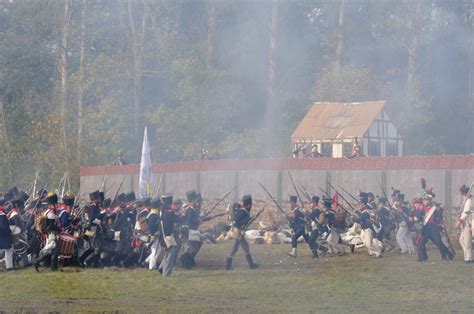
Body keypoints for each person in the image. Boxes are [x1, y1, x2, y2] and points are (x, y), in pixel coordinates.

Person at [414, 192, 454, 262]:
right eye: (423, 200)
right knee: (421, 242)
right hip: (425, 228)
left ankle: (447, 255)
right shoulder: (421, 208)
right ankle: (423, 258)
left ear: (429, 201)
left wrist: (438, 209)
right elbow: (418, 216)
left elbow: (440, 214)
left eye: (426, 200)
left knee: (439, 243)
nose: (424, 201)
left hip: (433, 228)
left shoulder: (434, 207)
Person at [225, 195, 259, 270]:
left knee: (245, 247)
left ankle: (251, 264)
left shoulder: (243, 210)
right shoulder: (242, 211)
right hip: (237, 232)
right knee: (234, 248)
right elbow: (238, 220)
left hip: (240, 232)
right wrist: (248, 220)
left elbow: (244, 220)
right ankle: (228, 265)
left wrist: (251, 218)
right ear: (248, 204)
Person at [180, 190, 202, 269]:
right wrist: (198, 220)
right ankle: (184, 260)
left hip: (192, 231)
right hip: (189, 231)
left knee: (197, 245)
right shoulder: (190, 210)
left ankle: (189, 261)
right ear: (192, 201)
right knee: (194, 248)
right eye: (195, 200)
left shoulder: (192, 209)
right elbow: (189, 221)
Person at [456, 184, 472, 263]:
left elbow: (466, 213)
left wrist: (460, 220)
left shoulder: (468, 201)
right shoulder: (465, 201)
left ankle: (468, 258)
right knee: (461, 240)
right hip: (464, 224)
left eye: (462, 194)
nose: (462, 196)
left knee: (467, 241)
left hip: (468, 224)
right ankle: (467, 256)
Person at [0, 200, 14, 271]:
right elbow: (3, 226)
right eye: (4, 205)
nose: (5, 206)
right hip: (4, 235)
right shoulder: (2, 214)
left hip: (2, 235)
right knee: (8, 251)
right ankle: (9, 266)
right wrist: (9, 231)